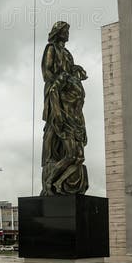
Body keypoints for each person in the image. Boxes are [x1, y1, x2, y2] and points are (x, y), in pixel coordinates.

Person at [41, 21, 89, 195]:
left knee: (75, 153)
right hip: (57, 97)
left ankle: (59, 182)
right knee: (56, 138)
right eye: (65, 31)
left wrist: (75, 71)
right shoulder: (51, 49)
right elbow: (47, 73)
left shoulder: (67, 54)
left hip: (69, 102)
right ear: (58, 32)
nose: (67, 34)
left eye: (68, 31)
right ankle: (50, 183)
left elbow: (70, 71)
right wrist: (61, 81)